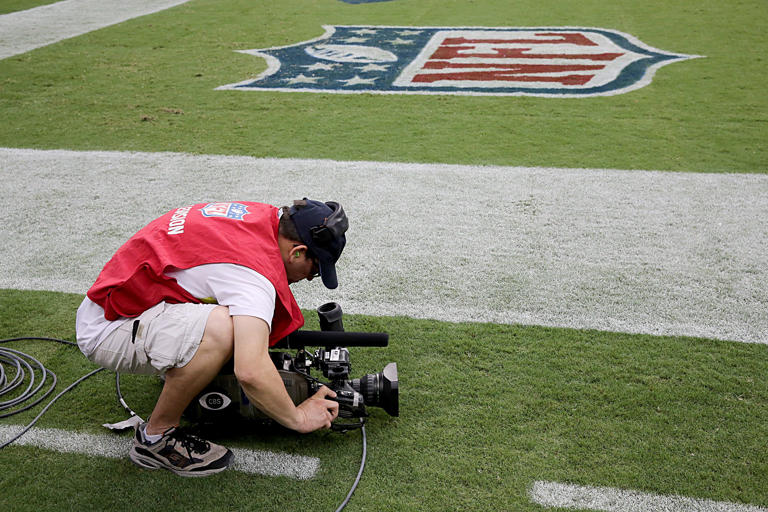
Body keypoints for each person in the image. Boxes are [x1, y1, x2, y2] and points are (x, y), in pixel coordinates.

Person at [75, 199, 348, 477]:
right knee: (224, 330)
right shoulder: (253, 276)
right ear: (298, 252)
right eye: (316, 269)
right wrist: (298, 418)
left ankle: (181, 368)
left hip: (122, 298)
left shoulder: (264, 216)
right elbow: (251, 371)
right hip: (107, 328)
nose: (312, 278)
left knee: (238, 327)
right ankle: (157, 437)